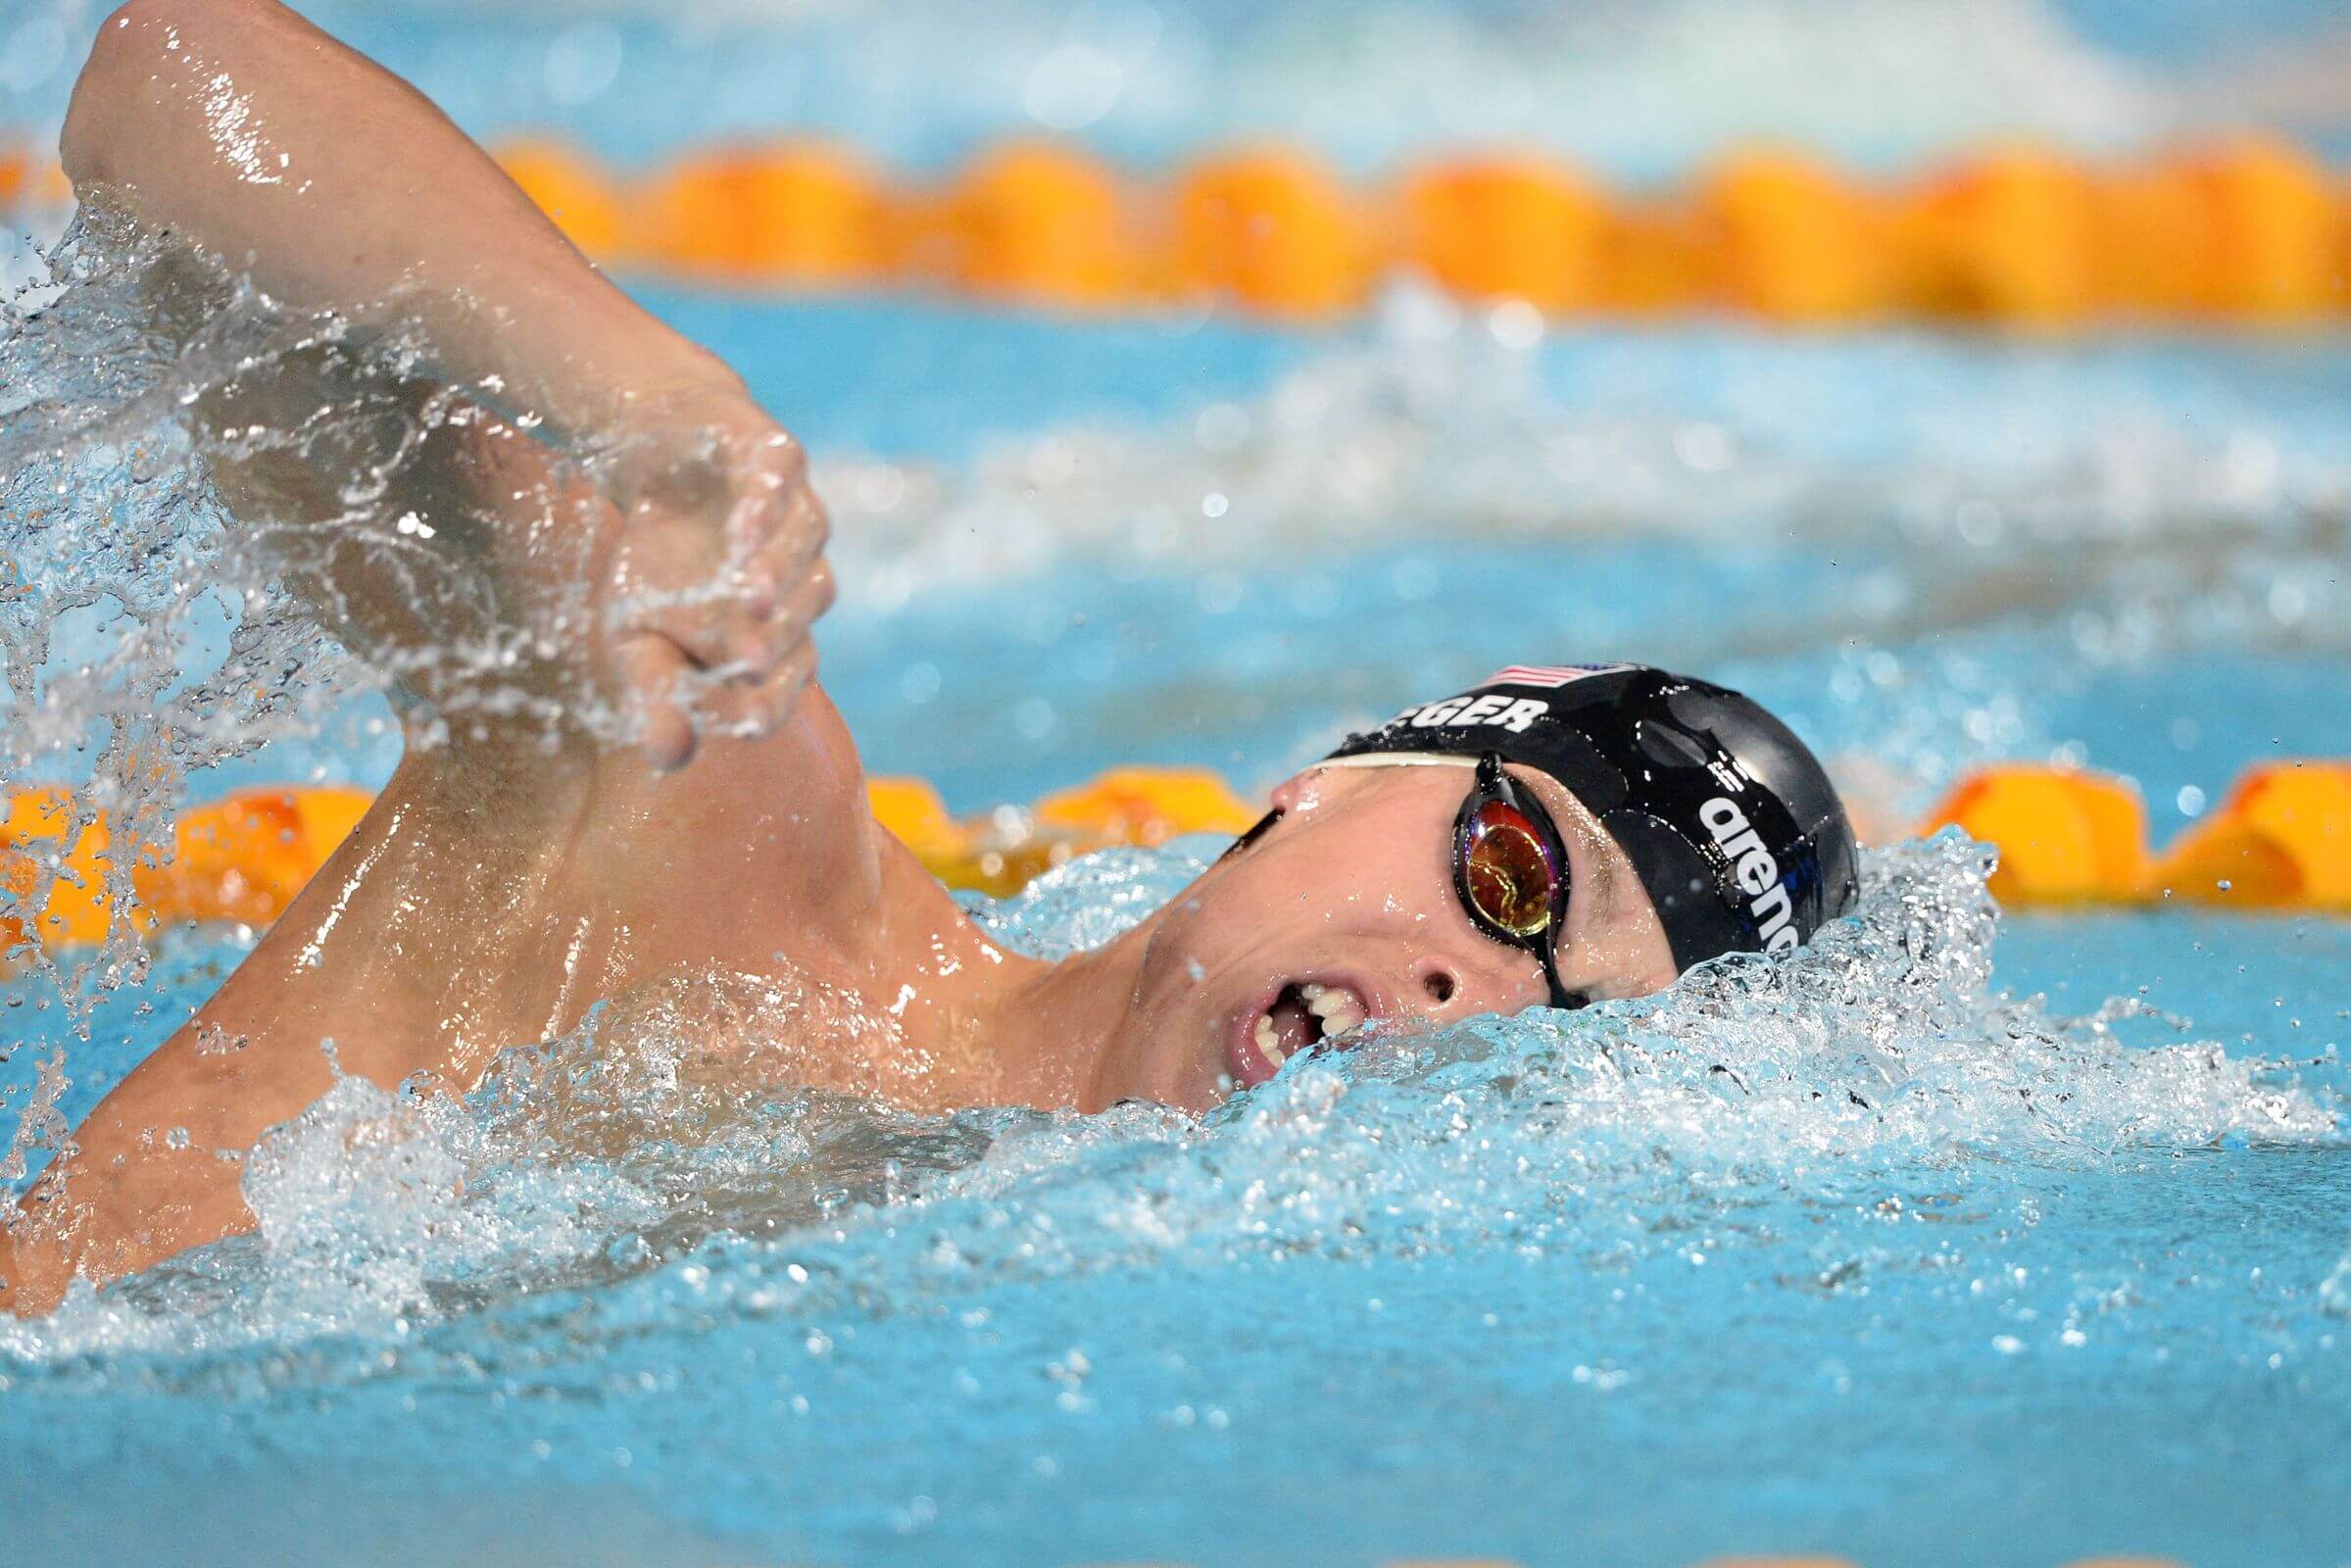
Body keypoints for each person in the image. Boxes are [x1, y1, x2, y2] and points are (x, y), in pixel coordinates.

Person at [0, 0, 1857, 1316]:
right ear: (1336, 781)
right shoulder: (708, 803)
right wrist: (659, 420)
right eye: (1515, 874)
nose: (1477, 1004)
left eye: (1575, 1033)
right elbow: (167, 83)